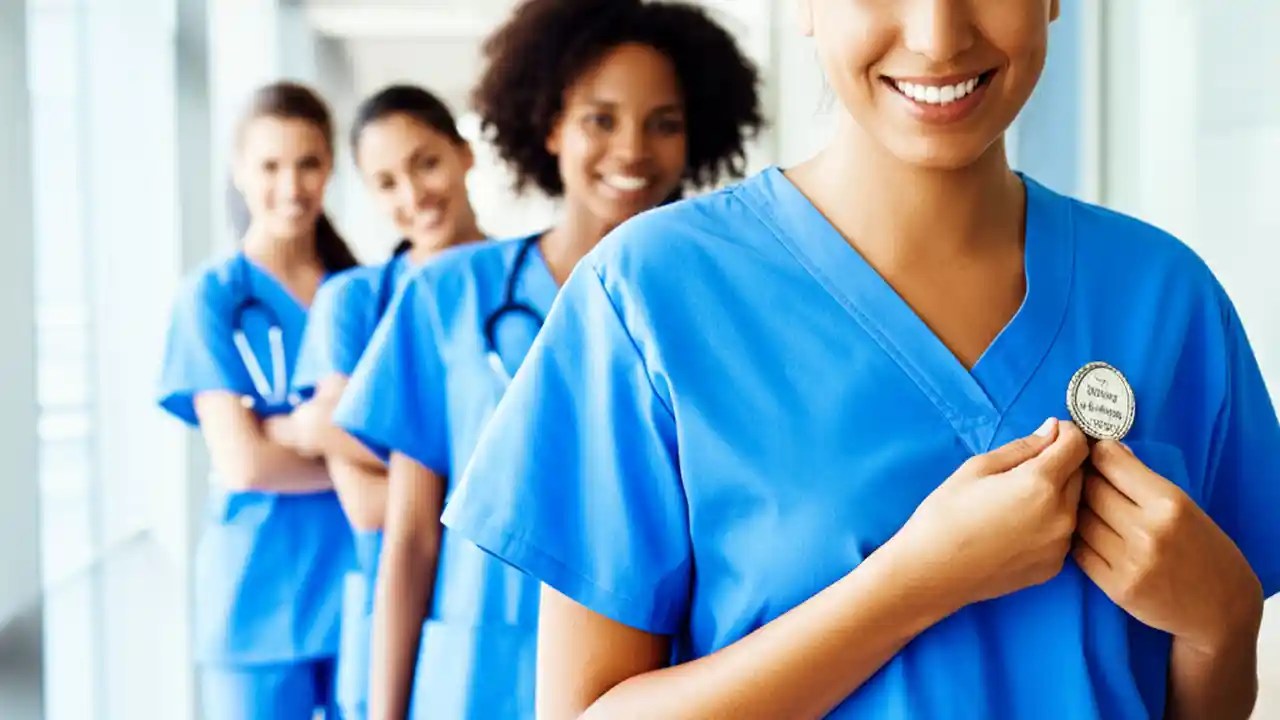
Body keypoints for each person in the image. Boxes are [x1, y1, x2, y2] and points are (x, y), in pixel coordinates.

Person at [442, 1, 1280, 718]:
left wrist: (1226, 622)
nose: (939, 34)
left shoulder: (1167, 298)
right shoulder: (647, 297)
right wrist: (912, 585)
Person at [332, 0, 764, 717]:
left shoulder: (715, 311)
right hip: (474, 674)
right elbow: (410, 540)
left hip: (646, 681)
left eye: (665, 123)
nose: (633, 149)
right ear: (551, 124)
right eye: (601, 118)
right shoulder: (447, 296)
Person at [278, 84, 484, 720]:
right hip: (394, 615)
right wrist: (476, 477)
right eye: (386, 182)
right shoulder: (354, 303)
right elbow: (367, 507)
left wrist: (326, 430)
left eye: (426, 163)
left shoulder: (531, 283)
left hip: (511, 616)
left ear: (464, 155)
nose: (413, 194)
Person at [157, 82, 356, 719]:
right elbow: (244, 463)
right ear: (240, 172)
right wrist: (345, 456)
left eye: (308, 163)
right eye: (270, 165)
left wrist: (285, 435)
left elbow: (396, 446)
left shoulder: (359, 295)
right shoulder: (211, 297)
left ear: (330, 168)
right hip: (253, 601)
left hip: (356, 586)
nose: (291, 185)